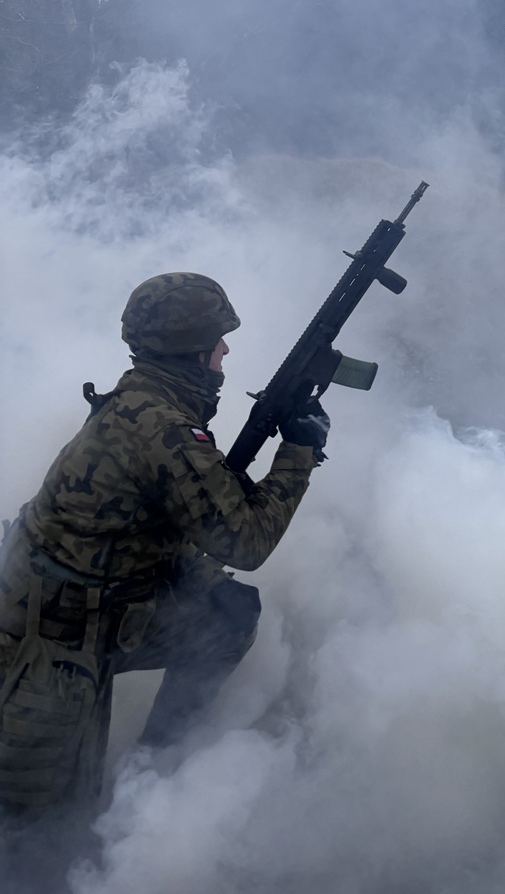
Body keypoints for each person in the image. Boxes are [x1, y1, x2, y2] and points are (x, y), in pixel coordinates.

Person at [0, 272, 328, 814]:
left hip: (94, 611)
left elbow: (171, 511)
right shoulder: (167, 432)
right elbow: (245, 543)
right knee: (44, 832)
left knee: (227, 613)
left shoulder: (140, 399)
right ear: (192, 352)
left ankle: (150, 776)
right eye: (216, 340)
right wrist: (297, 454)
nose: (225, 349)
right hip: (49, 650)